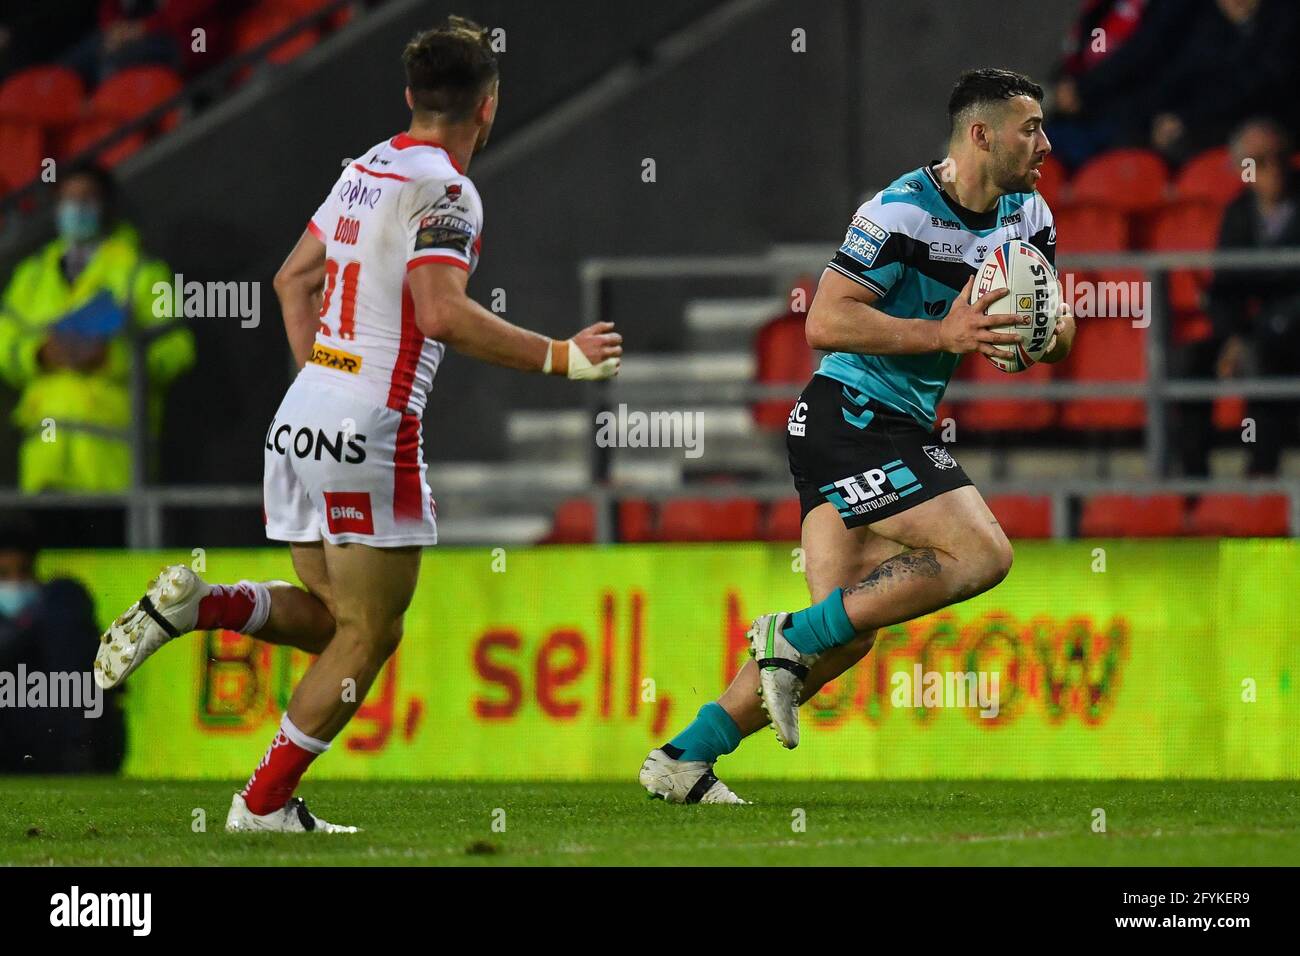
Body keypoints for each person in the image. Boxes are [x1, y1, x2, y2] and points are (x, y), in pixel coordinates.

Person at [91, 16, 621, 832]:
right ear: (489, 106)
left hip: (301, 415)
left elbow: (290, 281)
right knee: (370, 635)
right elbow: (440, 315)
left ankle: (204, 607)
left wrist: (323, 384)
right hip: (369, 423)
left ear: (411, 97)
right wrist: (561, 357)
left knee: (336, 619)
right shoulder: (447, 190)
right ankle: (263, 805)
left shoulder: (366, 168)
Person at [641, 69, 1075, 803]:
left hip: (887, 425)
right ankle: (789, 636)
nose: (1045, 143)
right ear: (981, 134)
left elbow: (1058, 327)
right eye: (1029, 128)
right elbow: (823, 323)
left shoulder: (1029, 214)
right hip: (850, 416)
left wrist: (1045, 332)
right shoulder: (898, 211)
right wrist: (943, 332)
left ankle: (685, 757)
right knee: (981, 553)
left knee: (843, 632)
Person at [0, 162, 194, 492]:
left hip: (113, 463)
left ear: (105, 206)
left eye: (87, 199)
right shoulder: (30, 276)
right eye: (68, 200)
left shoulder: (141, 272)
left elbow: (177, 349)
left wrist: (114, 358)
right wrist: (41, 354)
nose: (77, 209)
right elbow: (5, 343)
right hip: (43, 463)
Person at [1179, 118, 1300, 476]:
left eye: (1281, 158)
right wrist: (1231, 337)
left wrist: (1259, 332)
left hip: (1291, 329)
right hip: (1250, 328)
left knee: (1268, 355)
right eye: (1260, 162)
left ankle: (1261, 473)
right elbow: (1225, 286)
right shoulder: (1239, 213)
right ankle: (1193, 480)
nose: (1274, 169)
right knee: (1196, 362)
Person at [0, 513, 124, 773]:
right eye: (3, 574)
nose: (14, 584)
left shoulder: (59, 602)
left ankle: (79, 752)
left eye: (23, 572)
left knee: (64, 606)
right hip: (12, 728)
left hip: (56, 726)